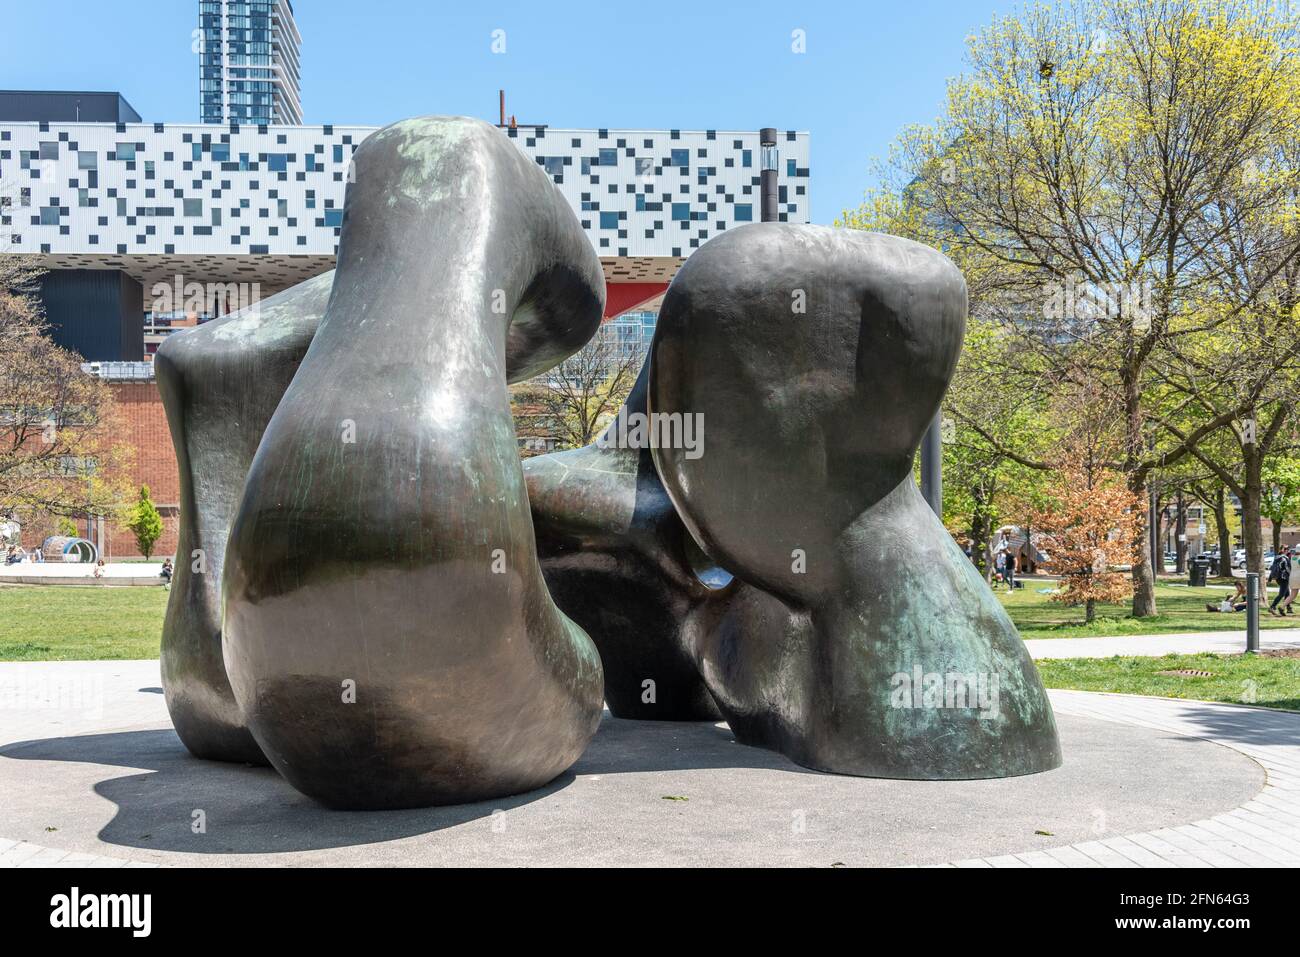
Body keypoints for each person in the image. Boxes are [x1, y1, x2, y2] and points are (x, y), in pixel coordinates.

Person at [1270, 549, 1291, 616]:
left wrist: (1270, 578)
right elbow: (1287, 568)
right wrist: (1291, 574)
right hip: (1284, 578)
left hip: (1278, 578)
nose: (1288, 551)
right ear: (1285, 551)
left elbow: (1272, 568)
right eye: (1287, 549)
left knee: (1287, 593)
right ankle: (1272, 607)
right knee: (1282, 594)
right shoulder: (1284, 558)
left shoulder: (1277, 557)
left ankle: (1287, 608)